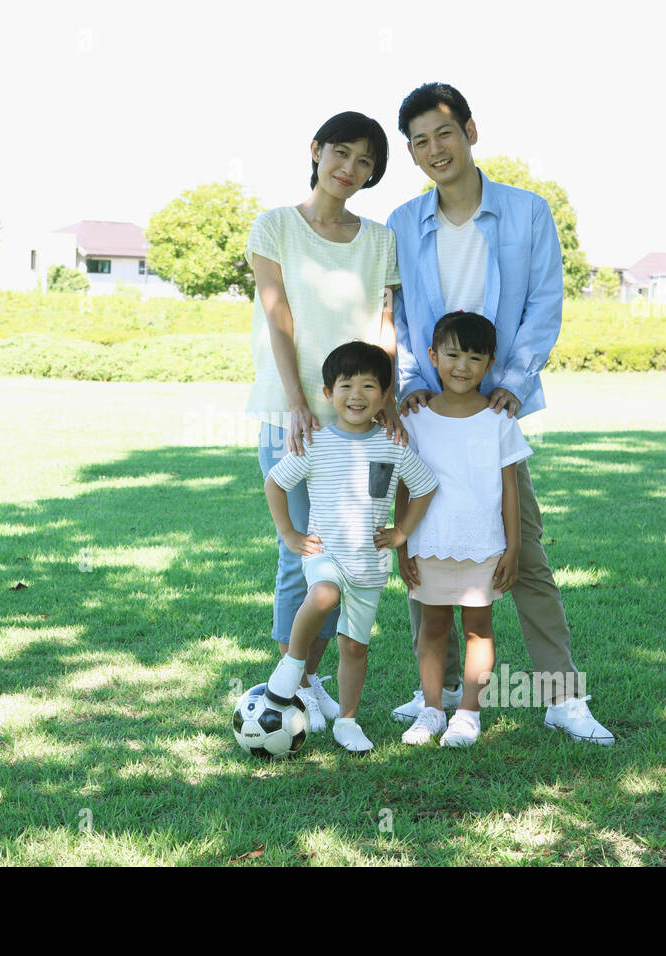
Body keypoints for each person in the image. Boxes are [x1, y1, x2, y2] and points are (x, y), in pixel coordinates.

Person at [386, 82, 614, 744]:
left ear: (470, 131)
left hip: (493, 409)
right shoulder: (403, 221)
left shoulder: (526, 213)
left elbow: (544, 303)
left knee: (526, 553)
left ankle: (562, 696)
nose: (434, 149)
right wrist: (406, 384)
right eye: (419, 141)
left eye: (444, 133)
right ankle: (441, 692)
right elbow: (396, 316)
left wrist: (511, 382)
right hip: (427, 410)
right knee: (424, 540)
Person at [247, 111, 405, 733]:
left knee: (350, 547)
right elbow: (276, 310)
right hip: (292, 415)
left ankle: (309, 680)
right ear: (316, 152)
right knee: (301, 554)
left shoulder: (380, 239)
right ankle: (299, 683)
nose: (350, 169)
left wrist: (385, 398)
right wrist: (295, 401)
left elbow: (386, 324)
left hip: (361, 421)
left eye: (365, 162)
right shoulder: (276, 226)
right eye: (341, 153)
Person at [263, 342, 436, 753]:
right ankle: (293, 666)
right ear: (328, 393)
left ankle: (348, 720)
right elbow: (275, 482)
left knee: (354, 646)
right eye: (346, 385)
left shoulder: (393, 445)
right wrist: (289, 533)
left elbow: (425, 486)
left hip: (370, 566)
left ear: (384, 394)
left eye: (369, 386)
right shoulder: (316, 443)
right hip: (325, 555)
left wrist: (402, 531)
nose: (356, 395)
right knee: (323, 594)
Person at [395, 311, 531, 747]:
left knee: (478, 629)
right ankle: (432, 710)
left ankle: (468, 713)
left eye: (475, 357)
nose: (462, 366)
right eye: (452, 354)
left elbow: (511, 491)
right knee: (432, 628)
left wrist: (513, 548)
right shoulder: (414, 419)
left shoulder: (499, 420)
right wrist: (400, 541)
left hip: (483, 543)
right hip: (429, 541)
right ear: (433, 357)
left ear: (490, 365)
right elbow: (404, 483)